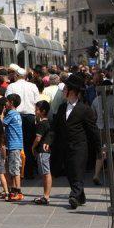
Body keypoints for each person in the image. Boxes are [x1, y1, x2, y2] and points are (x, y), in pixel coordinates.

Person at [44, 74, 100, 209]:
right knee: (70, 173)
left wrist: (99, 149)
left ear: (73, 91)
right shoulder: (62, 107)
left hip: (80, 146)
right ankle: (81, 196)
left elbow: (93, 131)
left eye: (65, 89)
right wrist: (48, 141)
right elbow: (54, 128)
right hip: (64, 147)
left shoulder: (85, 109)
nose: (63, 91)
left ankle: (74, 196)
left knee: (77, 170)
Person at [5, 66, 39, 179]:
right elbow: (37, 102)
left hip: (15, 116)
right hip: (30, 116)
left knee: (16, 144)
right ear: (25, 76)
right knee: (29, 144)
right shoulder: (33, 86)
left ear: (15, 75)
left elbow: (7, 102)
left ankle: (18, 172)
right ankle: (29, 171)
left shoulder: (11, 86)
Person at [91, 79, 114, 185]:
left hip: (99, 128)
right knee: (113, 152)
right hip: (112, 128)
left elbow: (93, 115)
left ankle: (96, 174)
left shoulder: (96, 100)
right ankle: (113, 177)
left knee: (100, 152)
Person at [2, 93, 24, 201]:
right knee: (13, 168)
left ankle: (18, 192)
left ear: (11, 103)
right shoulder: (17, 114)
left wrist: (2, 114)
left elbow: (1, 123)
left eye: (6, 101)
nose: (5, 103)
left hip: (13, 144)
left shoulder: (10, 113)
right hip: (16, 144)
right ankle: (14, 190)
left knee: (14, 169)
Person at [32, 101, 52, 205]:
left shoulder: (41, 124)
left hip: (42, 151)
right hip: (46, 151)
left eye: (37, 110)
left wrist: (33, 147)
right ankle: (45, 195)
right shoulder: (48, 122)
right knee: (45, 173)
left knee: (46, 173)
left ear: (43, 111)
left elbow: (38, 138)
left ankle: (46, 196)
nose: (35, 111)